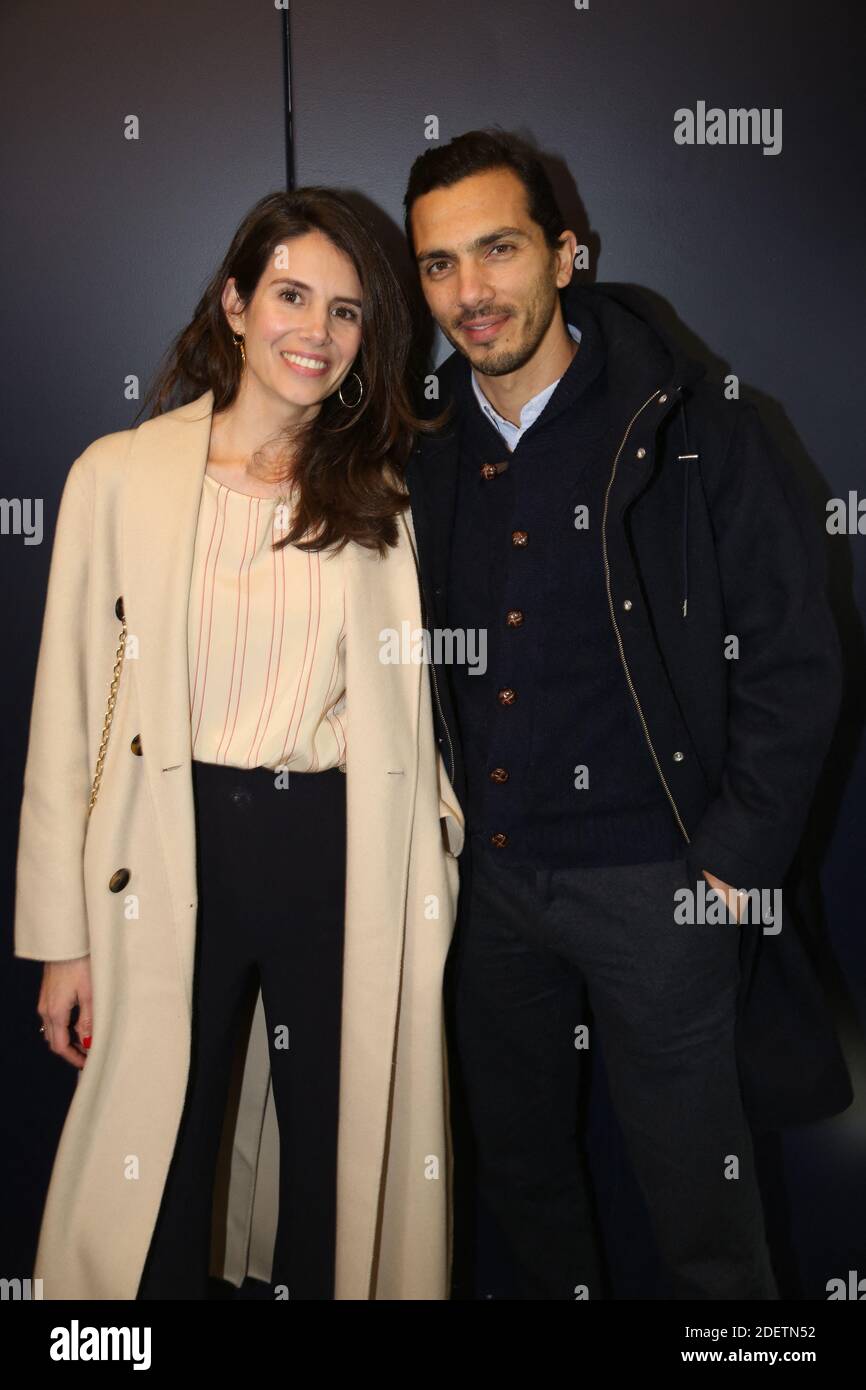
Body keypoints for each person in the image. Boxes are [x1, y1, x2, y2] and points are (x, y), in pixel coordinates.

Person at [402, 128, 848, 1299]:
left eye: (497, 250)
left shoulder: (697, 422)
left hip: (659, 885)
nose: (469, 291)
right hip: (485, 893)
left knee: (705, 1216)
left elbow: (793, 659)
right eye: (439, 264)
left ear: (565, 253)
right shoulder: (419, 443)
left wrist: (730, 866)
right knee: (522, 1189)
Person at [14, 188, 464, 1301]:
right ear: (234, 303)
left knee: (339, 1155)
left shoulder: (383, 492)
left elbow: (408, 712)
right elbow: (66, 720)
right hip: (169, 847)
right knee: (154, 1157)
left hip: (334, 853)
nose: (316, 331)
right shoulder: (116, 476)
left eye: (346, 311)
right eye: (291, 296)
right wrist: (62, 940)